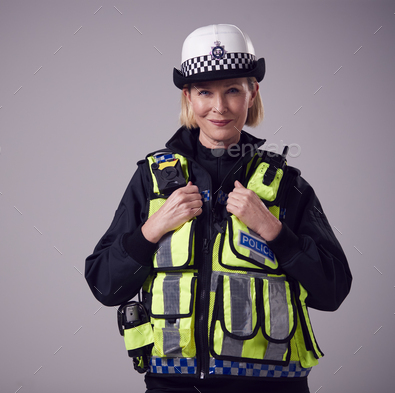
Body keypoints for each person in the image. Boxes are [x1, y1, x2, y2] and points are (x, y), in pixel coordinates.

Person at [85, 24, 352, 393]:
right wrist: (153, 228)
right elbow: (104, 285)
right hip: (172, 386)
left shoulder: (286, 185)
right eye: (205, 92)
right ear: (189, 98)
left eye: (232, 91)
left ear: (252, 93)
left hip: (271, 387)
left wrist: (275, 231)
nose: (219, 107)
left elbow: (332, 291)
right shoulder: (151, 180)